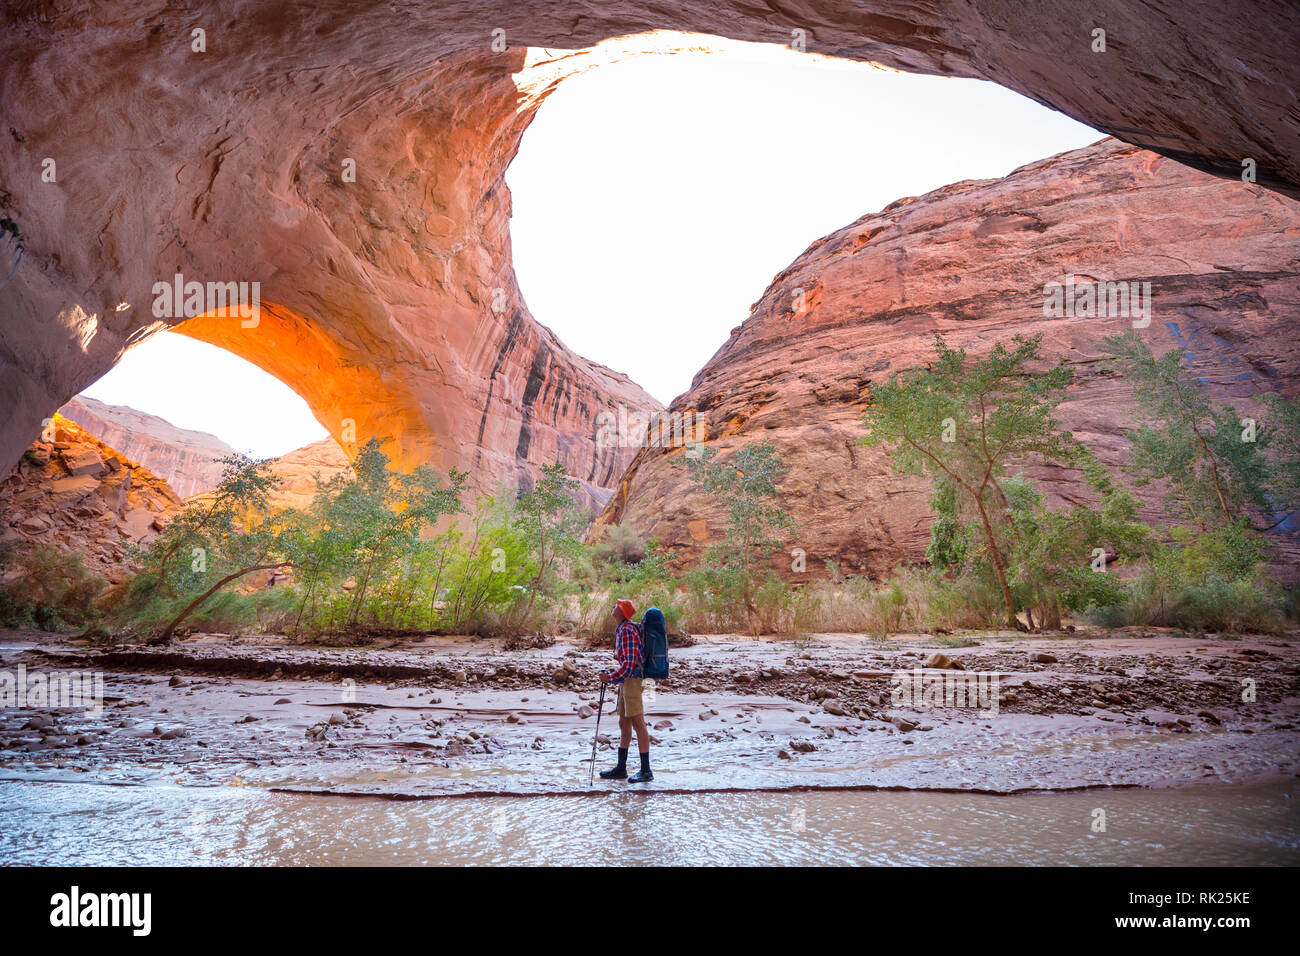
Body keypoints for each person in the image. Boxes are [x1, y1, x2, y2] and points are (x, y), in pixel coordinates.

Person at [598, 598, 653, 782]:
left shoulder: (628, 631)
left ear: (621, 611)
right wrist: (614, 676)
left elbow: (629, 665)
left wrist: (610, 678)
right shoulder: (623, 629)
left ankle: (646, 771)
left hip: (633, 680)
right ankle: (621, 769)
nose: (614, 607)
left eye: (617, 605)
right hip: (628, 680)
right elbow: (627, 664)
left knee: (638, 722)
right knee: (624, 722)